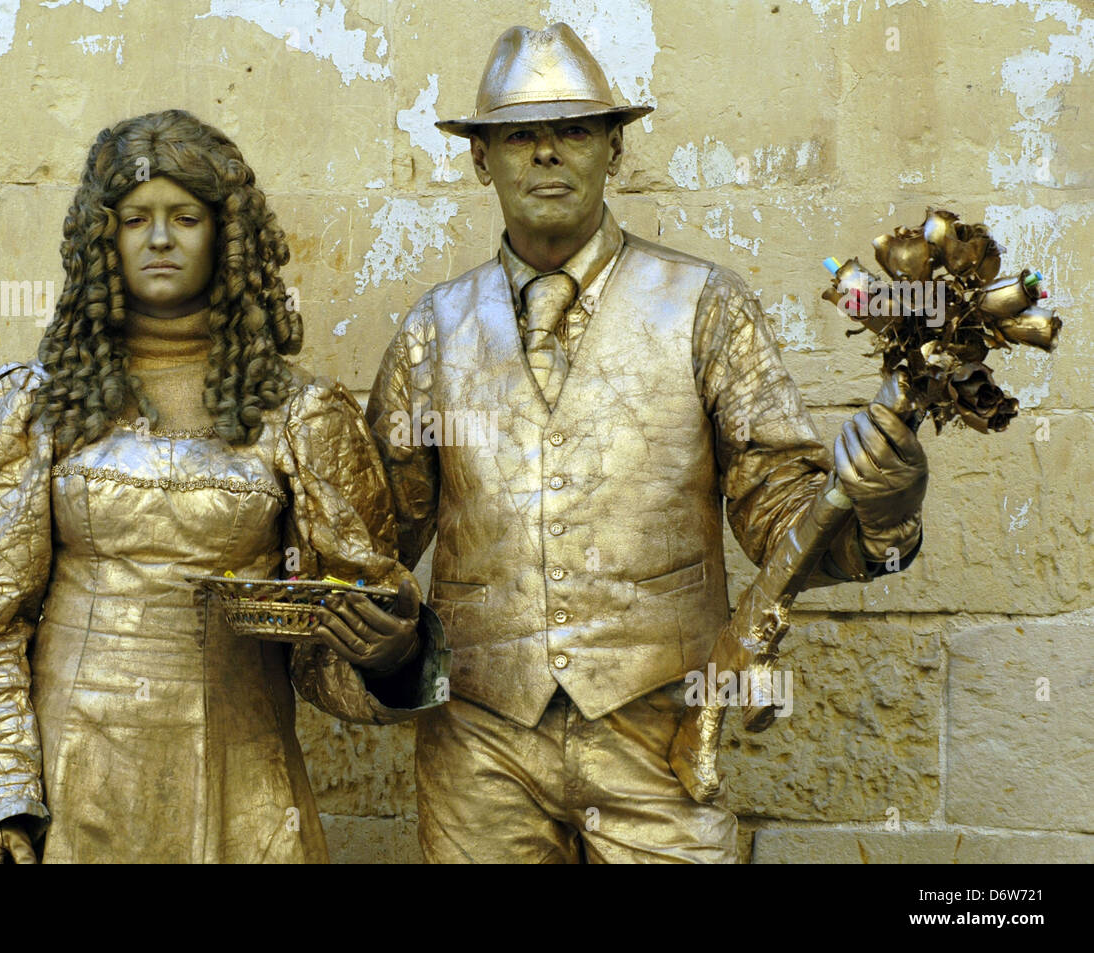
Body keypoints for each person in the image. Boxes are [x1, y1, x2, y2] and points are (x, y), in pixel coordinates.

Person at [365, 24, 928, 863]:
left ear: (615, 148)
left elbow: (780, 509)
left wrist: (884, 503)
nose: (547, 156)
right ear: (481, 158)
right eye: (520, 135)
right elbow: (380, 536)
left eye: (575, 131)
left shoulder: (705, 305)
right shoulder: (432, 330)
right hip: (478, 745)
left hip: (660, 732)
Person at [0, 109, 445, 864]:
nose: (160, 238)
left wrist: (388, 653)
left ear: (227, 236)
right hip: (70, 783)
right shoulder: (38, 408)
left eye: (185, 216)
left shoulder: (297, 416)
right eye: (136, 218)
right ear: (105, 239)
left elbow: (335, 629)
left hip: (244, 782)